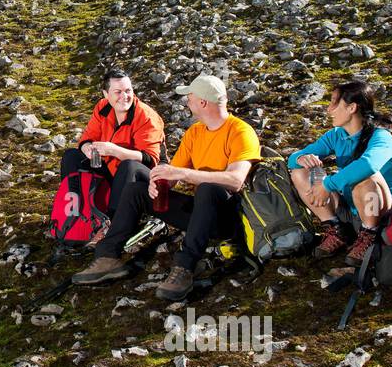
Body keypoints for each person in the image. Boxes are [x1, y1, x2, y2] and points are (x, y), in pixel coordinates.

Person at [73, 73, 261, 301]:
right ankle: (108, 257)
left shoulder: (240, 131)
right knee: (136, 191)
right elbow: (173, 174)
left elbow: (235, 180)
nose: (187, 102)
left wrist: (183, 174)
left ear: (202, 102)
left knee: (208, 188)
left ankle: (185, 267)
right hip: (199, 214)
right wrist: (158, 182)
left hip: (227, 219)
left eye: (190, 97)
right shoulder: (195, 132)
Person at [288, 79, 392, 266]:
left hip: (383, 215)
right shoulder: (336, 135)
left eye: (334, 103)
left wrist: (328, 184)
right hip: (351, 211)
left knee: (367, 178)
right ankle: (336, 230)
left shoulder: (382, 136)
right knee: (300, 172)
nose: (329, 109)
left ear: (351, 108)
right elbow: (293, 158)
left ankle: (370, 237)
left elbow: (368, 165)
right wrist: (301, 158)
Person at [59, 68, 165, 245]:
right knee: (71, 156)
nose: (125, 96)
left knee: (128, 165)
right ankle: (76, 213)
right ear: (106, 94)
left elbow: (149, 159)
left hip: (145, 179)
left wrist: (114, 150)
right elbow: (87, 138)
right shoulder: (103, 107)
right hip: (111, 170)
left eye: (128, 90)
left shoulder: (146, 117)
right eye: (118, 92)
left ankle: (111, 225)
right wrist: (87, 148)